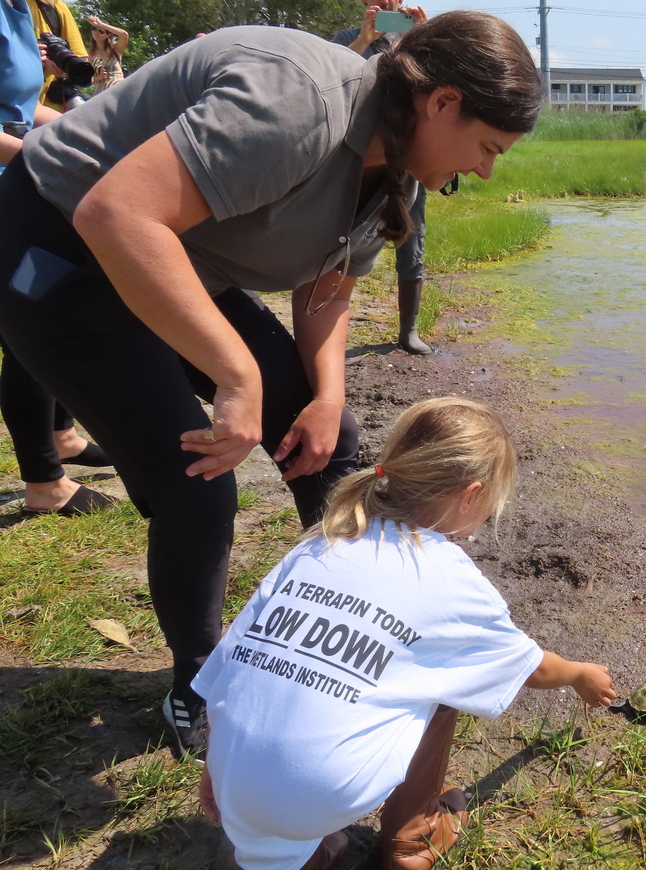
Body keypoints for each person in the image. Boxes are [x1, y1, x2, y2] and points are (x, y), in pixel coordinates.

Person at [0, 10, 542, 756]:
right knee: (196, 481)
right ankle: (196, 687)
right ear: (442, 102)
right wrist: (235, 374)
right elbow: (116, 212)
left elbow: (328, 287)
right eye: (487, 149)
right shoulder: (299, 102)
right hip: (61, 246)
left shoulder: (401, 168)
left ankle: (348, 619)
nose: (485, 172)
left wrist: (327, 398)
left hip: (176, 258)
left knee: (329, 438)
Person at [194, 398, 617, 870]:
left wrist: (218, 767)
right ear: (471, 495)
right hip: (314, 791)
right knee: (444, 675)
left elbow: (233, 662)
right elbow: (530, 667)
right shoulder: (449, 577)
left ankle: (296, 848)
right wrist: (580, 674)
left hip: (230, 784)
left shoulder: (318, 544)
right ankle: (410, 845)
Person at [1, 0, 115, 515]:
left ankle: (60, 438)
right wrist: (49, 160)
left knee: (40, 310)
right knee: (32, 321)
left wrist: (94, 133)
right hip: (12, 186)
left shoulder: (20, 10)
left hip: (19, 187)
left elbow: (21, 110)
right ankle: (45, 484)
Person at [332, 0, 432, 355]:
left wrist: (424, 37)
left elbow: (437, 89)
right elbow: (329, 79)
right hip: (357, 157)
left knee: (411, 237)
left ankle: (409, 329)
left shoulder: (421, 41)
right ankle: (325, 319)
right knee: (338, 236)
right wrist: (363, 41)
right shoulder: (347, 38)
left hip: (407, 156)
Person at [28, 0, 86, 110]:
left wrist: (60, 67)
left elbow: (80, 62)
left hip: (49, 106)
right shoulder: (6, 6)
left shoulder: (57, 7)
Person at [85, 15, 126, 94]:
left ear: (108, 35)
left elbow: (124, 35)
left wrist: (101, 24)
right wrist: (98, 78)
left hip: (117, 88)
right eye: (94, 29)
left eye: (101, 31)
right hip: (102, 92)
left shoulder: (115, 49)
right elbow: (84, 79)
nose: (96, 33)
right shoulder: (88, 53)